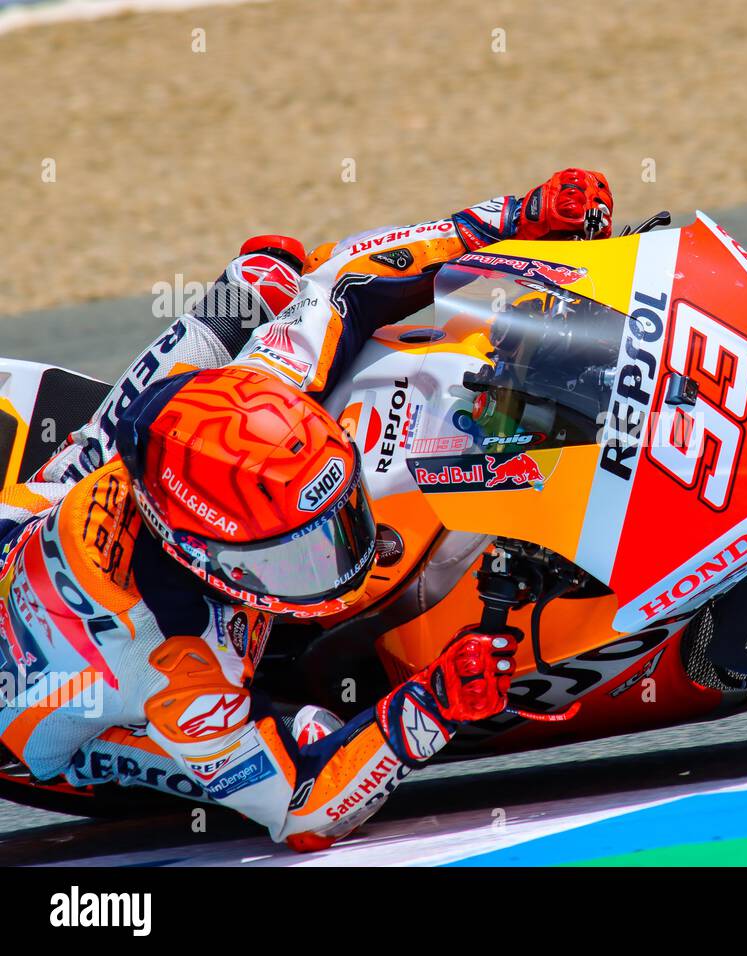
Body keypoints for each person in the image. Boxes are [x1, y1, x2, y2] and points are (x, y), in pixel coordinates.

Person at [0, 169, 613, 850]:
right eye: (302, 549)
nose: (344, 550)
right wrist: (433, 704)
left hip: (64, 492)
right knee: (317, 727)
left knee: (267, 282)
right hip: (65, 712)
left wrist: (514, 216)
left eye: (339, 519)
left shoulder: (256, 392)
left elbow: (345, 283)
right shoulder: (178, 676)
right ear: (211, 557)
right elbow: (304, 811)